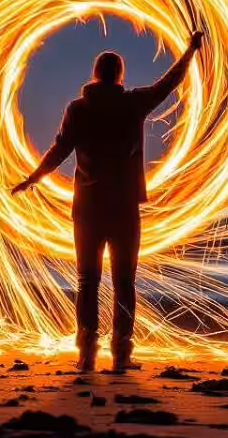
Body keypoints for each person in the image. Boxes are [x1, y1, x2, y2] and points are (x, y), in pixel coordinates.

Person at [12, 30, 204, 372]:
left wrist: (33, 178)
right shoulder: (133, 103)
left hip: (87, 209)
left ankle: (86, 353)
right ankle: (121, 355)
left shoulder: (78, 109)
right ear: (119, 75)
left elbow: (59, 150)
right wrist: (190, 51)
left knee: (87, 281)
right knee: (124, 282)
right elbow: (169, 83)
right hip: (123, 208)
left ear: (94, 74)